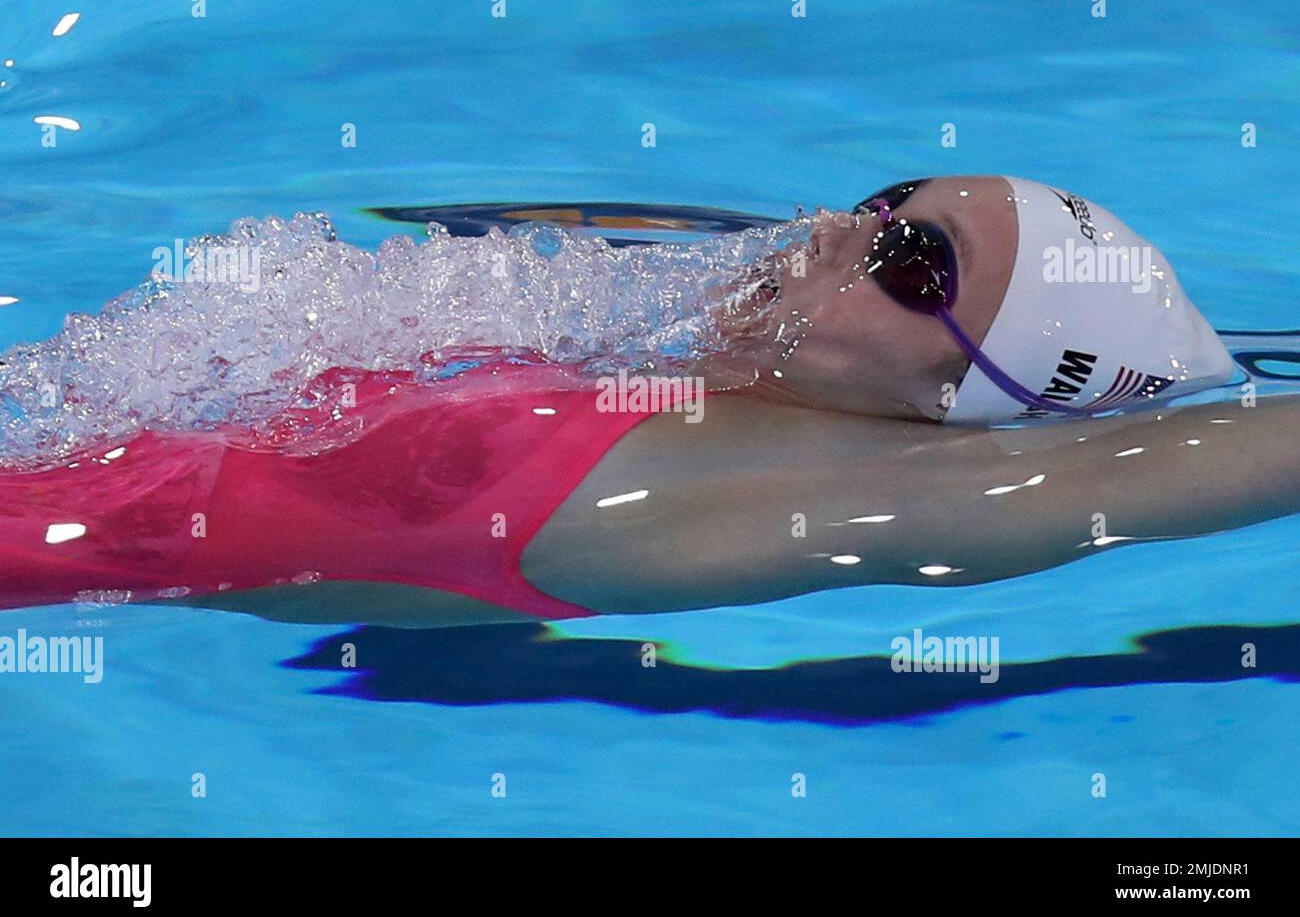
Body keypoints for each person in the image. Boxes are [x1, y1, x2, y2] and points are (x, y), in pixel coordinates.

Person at [1, 176, 1291, 627]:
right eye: (894, 200)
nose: (849, 229)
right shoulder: (668, 352)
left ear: (968, 393)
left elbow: (1136, 476)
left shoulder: (808, 492)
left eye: (912, 264)